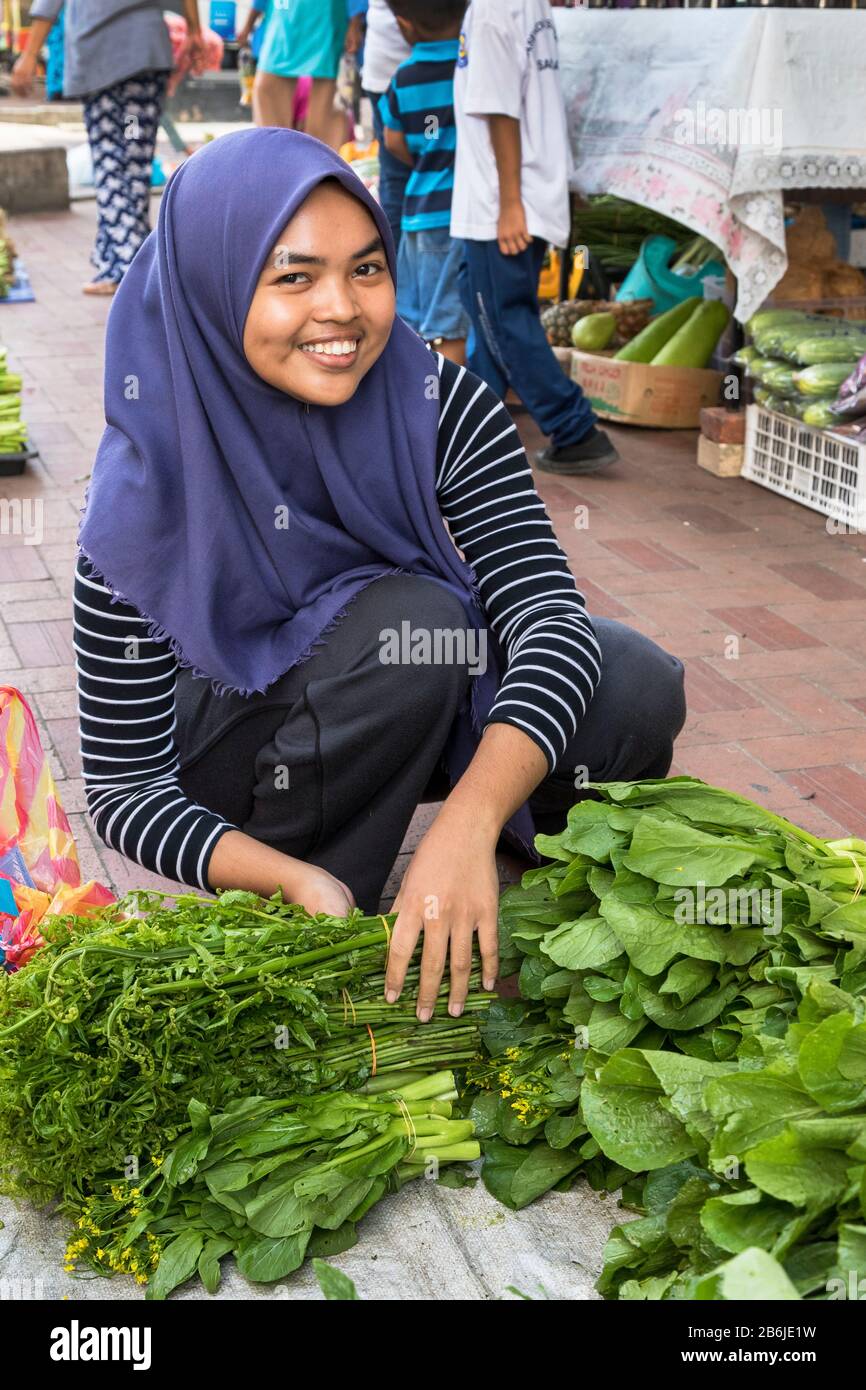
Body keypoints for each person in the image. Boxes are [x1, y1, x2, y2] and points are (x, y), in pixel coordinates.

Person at [74, 129, 685, 1018]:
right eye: (293, 277)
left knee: (629, 681)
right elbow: (125, 793)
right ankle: (323, 911)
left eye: (366, 269)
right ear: (210, 289)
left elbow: (547, 613)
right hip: (244, 760)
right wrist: (286, 880)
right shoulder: (140, 495)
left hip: (398, 689)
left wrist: (466, 823)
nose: (343, 310)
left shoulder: (434, 401)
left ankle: (508, 871)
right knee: (417, 625)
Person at [452, 0, 620, 475]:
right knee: (483, 304)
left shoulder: (489, 11)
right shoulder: (529, 4)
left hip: (501, 202)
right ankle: (474, 433)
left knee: (503, 320)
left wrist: (509, 205)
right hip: (525, 193)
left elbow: (499, 111)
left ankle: (574, 430)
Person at [12, 0, 202, 296]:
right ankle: (133, 262)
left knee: (114, 163)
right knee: (133, 160)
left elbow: (48, 4)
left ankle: (124, 271)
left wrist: (28, 55)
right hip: (145, 57)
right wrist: (194, 29)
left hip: (105, 62)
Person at [379, 0, 468, 364]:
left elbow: (393, 140)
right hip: (453, 218)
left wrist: (424, 159)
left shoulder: (404, 76)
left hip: (416, 214)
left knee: (412, 319)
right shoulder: (468, 68)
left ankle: (411, 400)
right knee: (448, 324)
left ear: (404, 25)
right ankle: (446, 410)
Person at [252, 0, 351, 148]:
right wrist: (251, 19)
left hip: (325, 16)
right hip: (282, 16)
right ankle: (274, 159)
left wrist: (356, 19)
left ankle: (324, 166)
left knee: (322, 113)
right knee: (265, 91)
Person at [360, 0, 411, 251]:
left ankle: (395, 271)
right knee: (433, 165)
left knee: (396, 177)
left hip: (383, 68)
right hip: (428, 71)